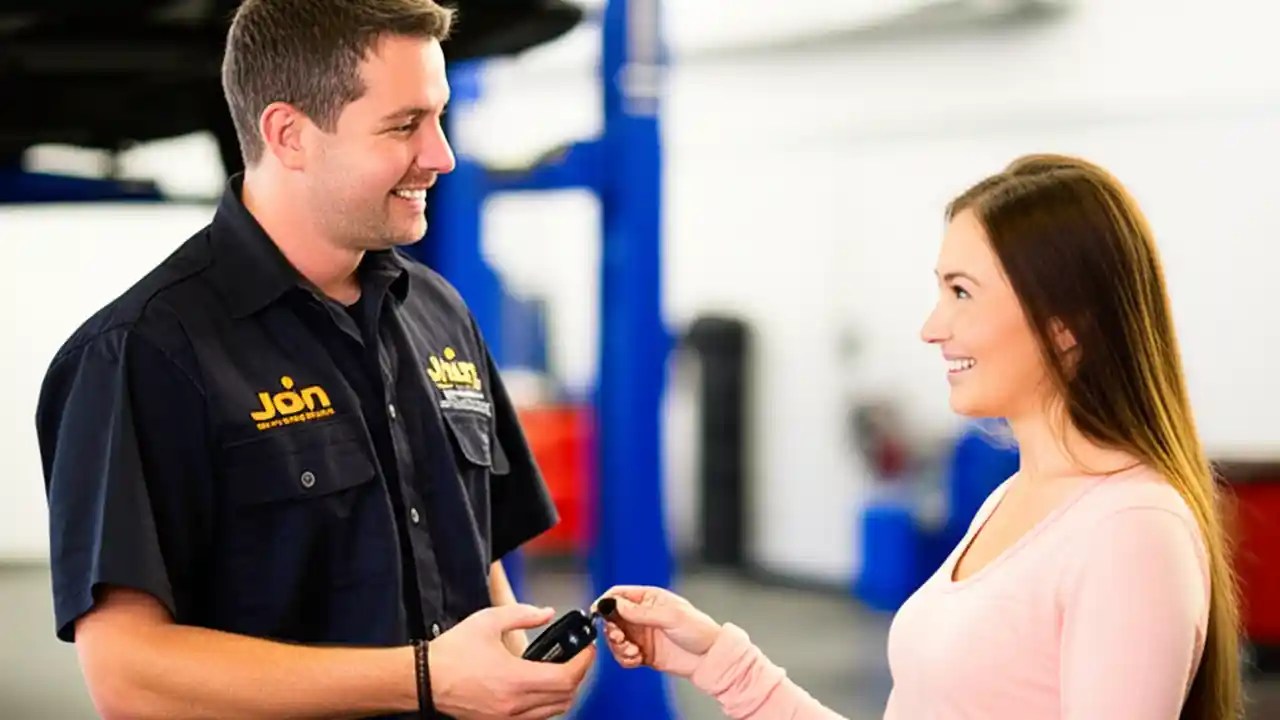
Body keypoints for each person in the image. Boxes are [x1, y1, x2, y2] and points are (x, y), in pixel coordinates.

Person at [33, 1, 593, 718]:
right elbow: (129, 676)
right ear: (289, 134)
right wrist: (422, 678)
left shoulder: (437, 312)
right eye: (403, 126)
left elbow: (473, 562)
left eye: (439, 117)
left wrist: (511, 676)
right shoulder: (141, 354)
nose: (441, 155)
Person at [596, 154, 1243, 720]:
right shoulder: (1016, 499)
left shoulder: (1130, 532)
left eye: (962, 292)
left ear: (1066, 324)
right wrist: (719, 664)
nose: (932, 327)